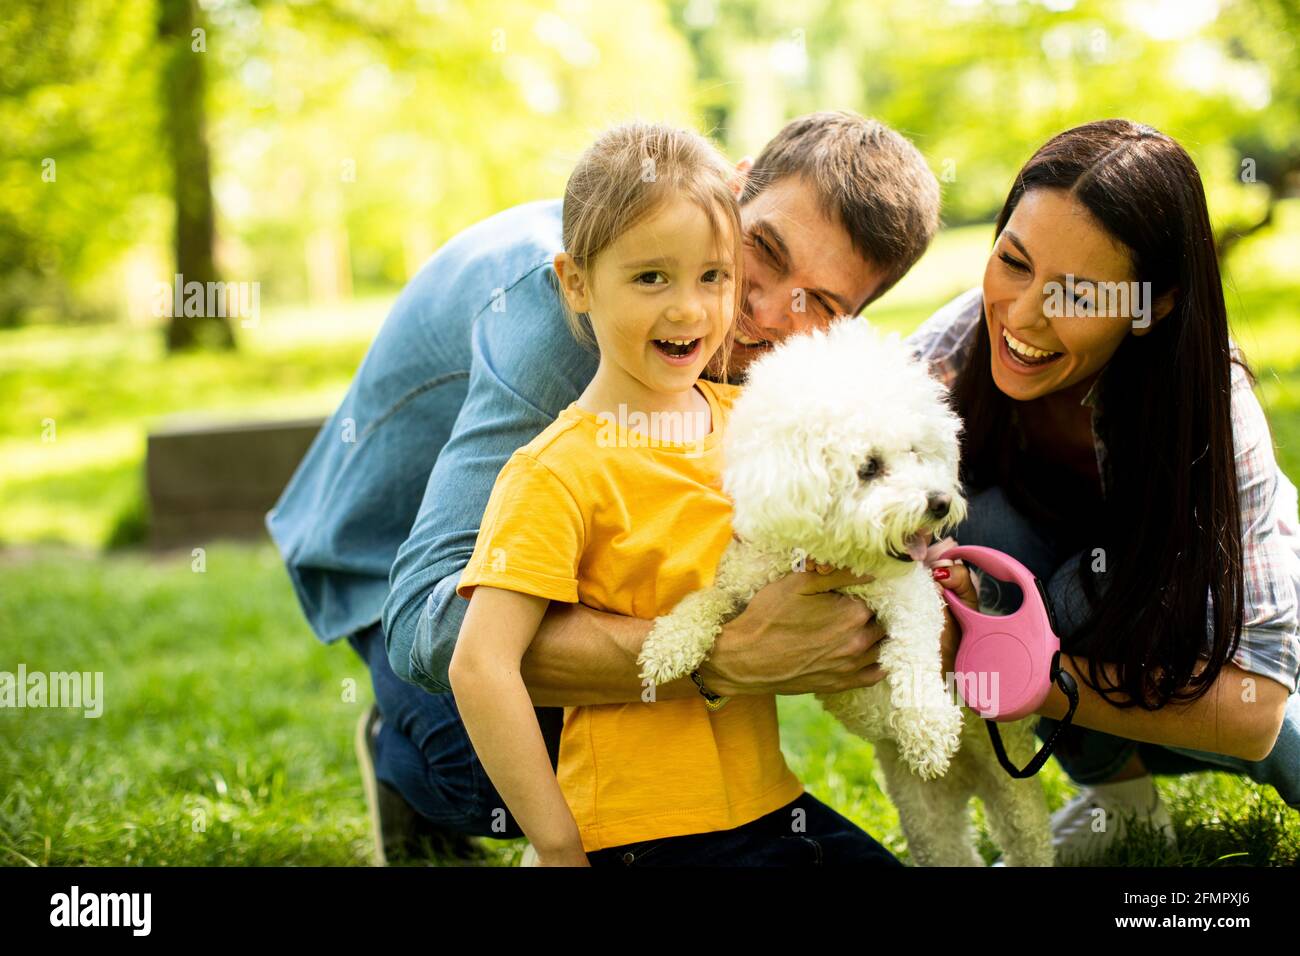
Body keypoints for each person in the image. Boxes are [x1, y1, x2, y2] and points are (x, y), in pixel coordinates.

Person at [266, 110, 951, 863]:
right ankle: (405, 754)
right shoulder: (573, 337)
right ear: (733, 188)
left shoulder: (721, 348)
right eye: (764, 251)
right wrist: (720, 657)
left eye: (819, 303)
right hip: (399, 568)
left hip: (574, 556)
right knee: (498, 768)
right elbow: (431, 632)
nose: (760, 312)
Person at [909, 119, 1300, 864]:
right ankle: (1124, 804)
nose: (1022, 318)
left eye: (1079, 295)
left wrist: (1029, 674)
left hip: (1223, 671)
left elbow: (1256, 714)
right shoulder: (946, 356)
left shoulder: (1214, 405)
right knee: (978, 524)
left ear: (1153, 305)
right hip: (1092, 649)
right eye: (1014, 263)